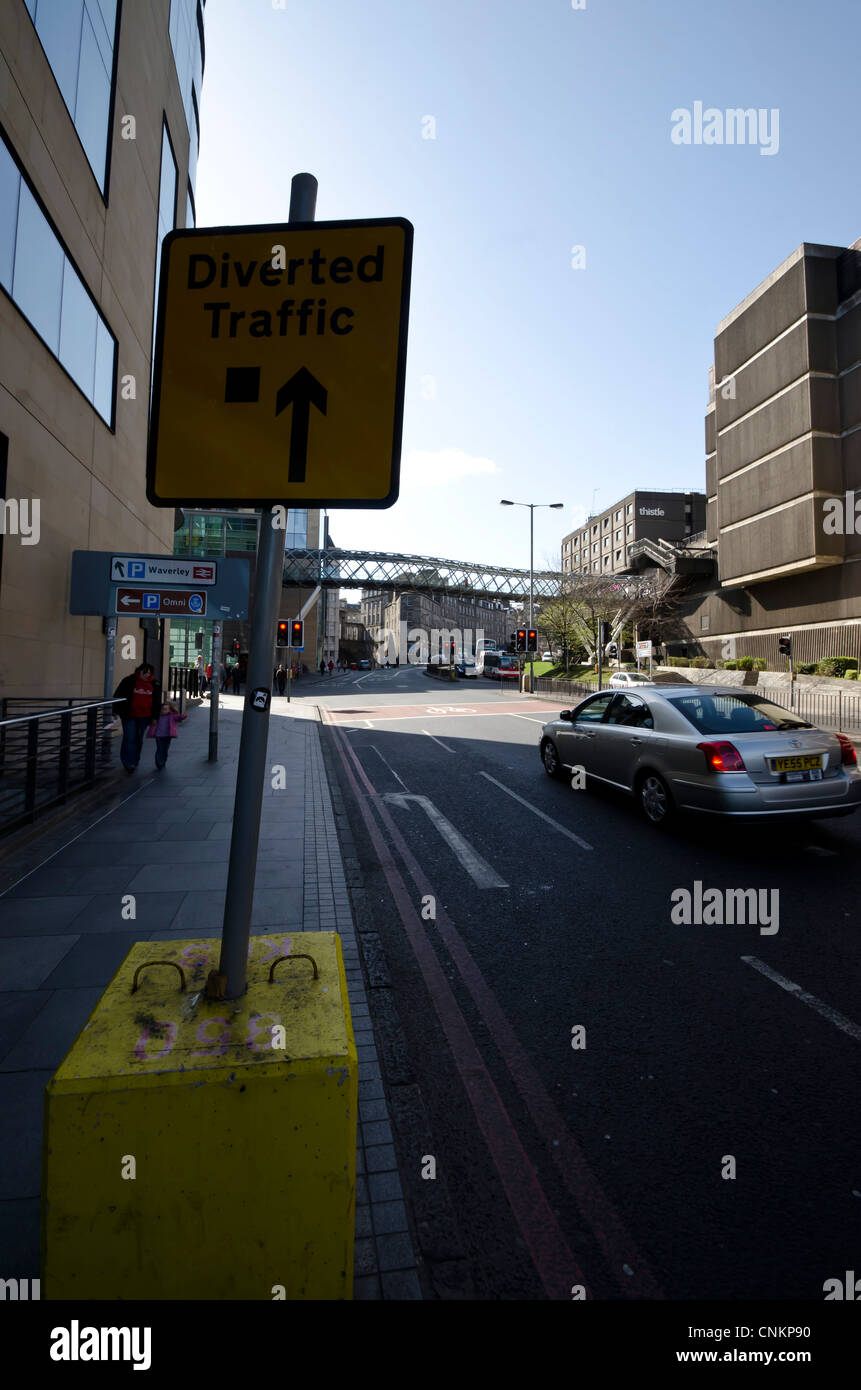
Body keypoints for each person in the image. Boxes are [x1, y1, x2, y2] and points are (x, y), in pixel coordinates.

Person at [113, 662, 161, 773]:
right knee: (129, 738)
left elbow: (156, 702)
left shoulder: (154, 684)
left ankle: (134, 760)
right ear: (139, 671)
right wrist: (115, 710)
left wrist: (155, 717)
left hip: (144, 716)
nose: (147, 675)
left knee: (138, 738)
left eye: (149, 673)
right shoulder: (129, 681)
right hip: (129, 715)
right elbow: (118, 695)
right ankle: (128, 762)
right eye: (145, 672)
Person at [147, 698, 187, 770]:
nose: (163, 711)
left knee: (165, 749)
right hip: (158, 736)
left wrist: (183, 716)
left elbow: (178, 717)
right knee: (160, 749)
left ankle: (163, 760)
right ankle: (159, 762)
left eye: (165, 709)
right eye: (162, 709)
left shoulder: (172, 716)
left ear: (170, 710)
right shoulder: (158, 716)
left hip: (168, 736)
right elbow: (151, 721)